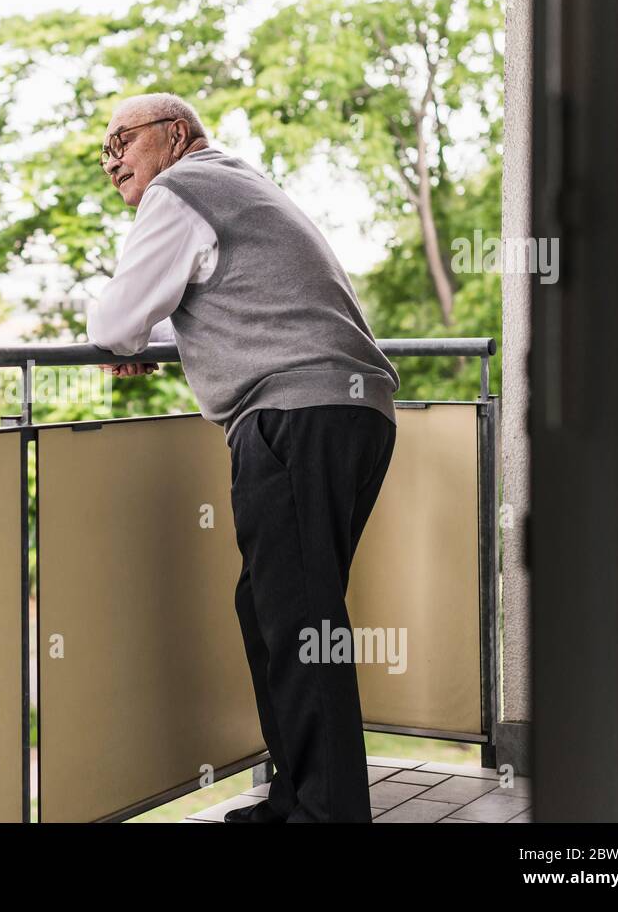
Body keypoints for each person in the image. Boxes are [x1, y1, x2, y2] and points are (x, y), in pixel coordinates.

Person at [88, 93, 400, 822]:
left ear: (174, 134)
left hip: (292, 416)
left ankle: (326, 814)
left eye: (121, 141)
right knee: (274, 607)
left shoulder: (179, 189)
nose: (112, 162)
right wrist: (150, 342)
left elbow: (112, 321)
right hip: (348, 414)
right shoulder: (242, 183)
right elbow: (229, 301)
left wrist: (128, 343)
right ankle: (296, 798)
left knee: (295, 620)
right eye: (103, 151)